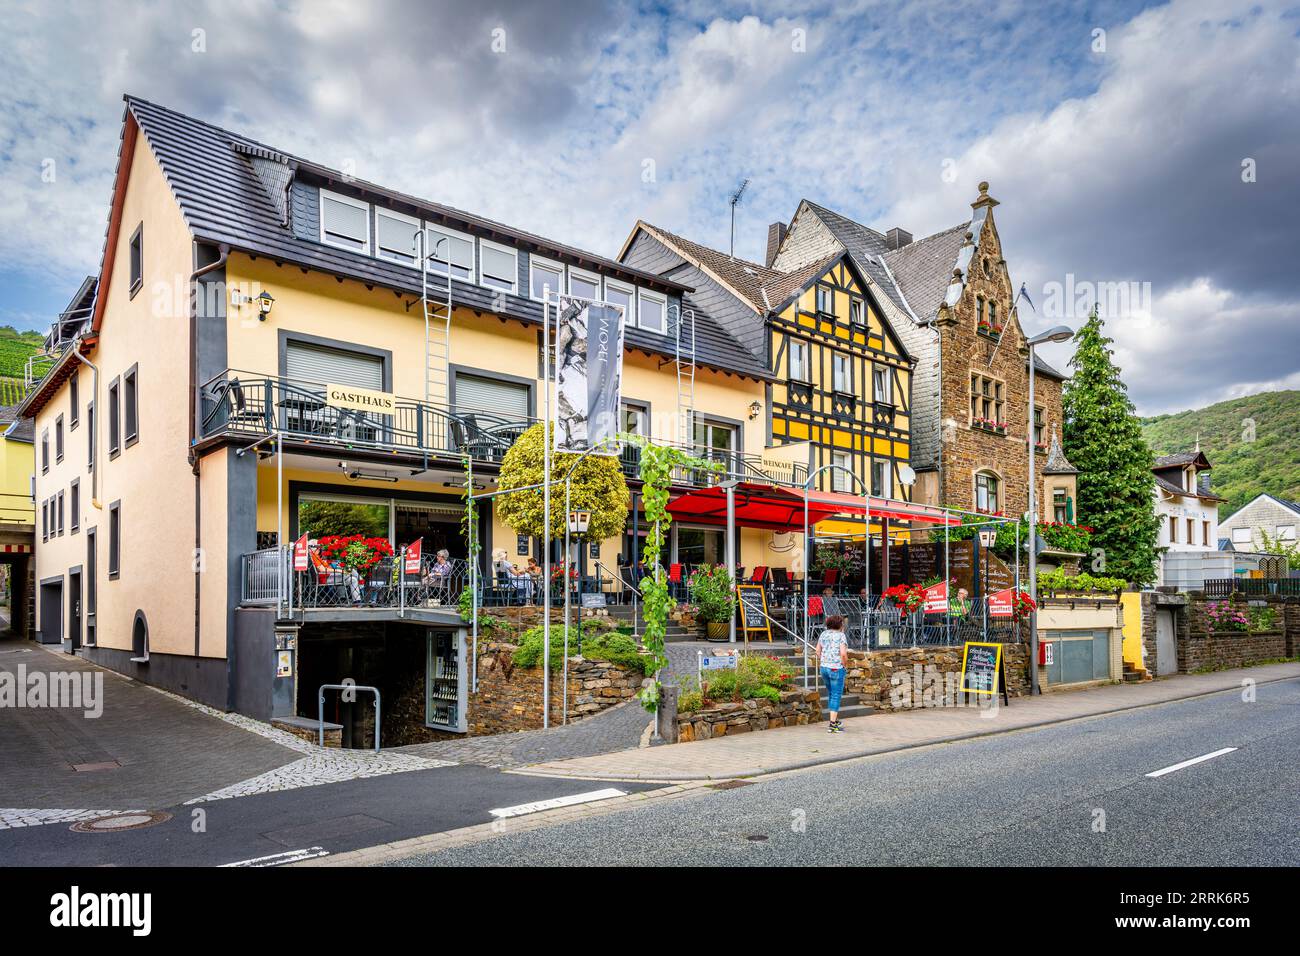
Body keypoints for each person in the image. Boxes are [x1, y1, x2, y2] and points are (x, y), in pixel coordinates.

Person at [817, 613, 850, 733]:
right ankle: (832, 725)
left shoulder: (823, 634)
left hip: (824, 667)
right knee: (836, 695)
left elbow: (817, 651)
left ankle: (834, 720)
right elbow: (843, 654)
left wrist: (824, 660)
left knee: (831, 693)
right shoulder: (841, 636)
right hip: (836, 668)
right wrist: (845, 665)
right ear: (840, 625)